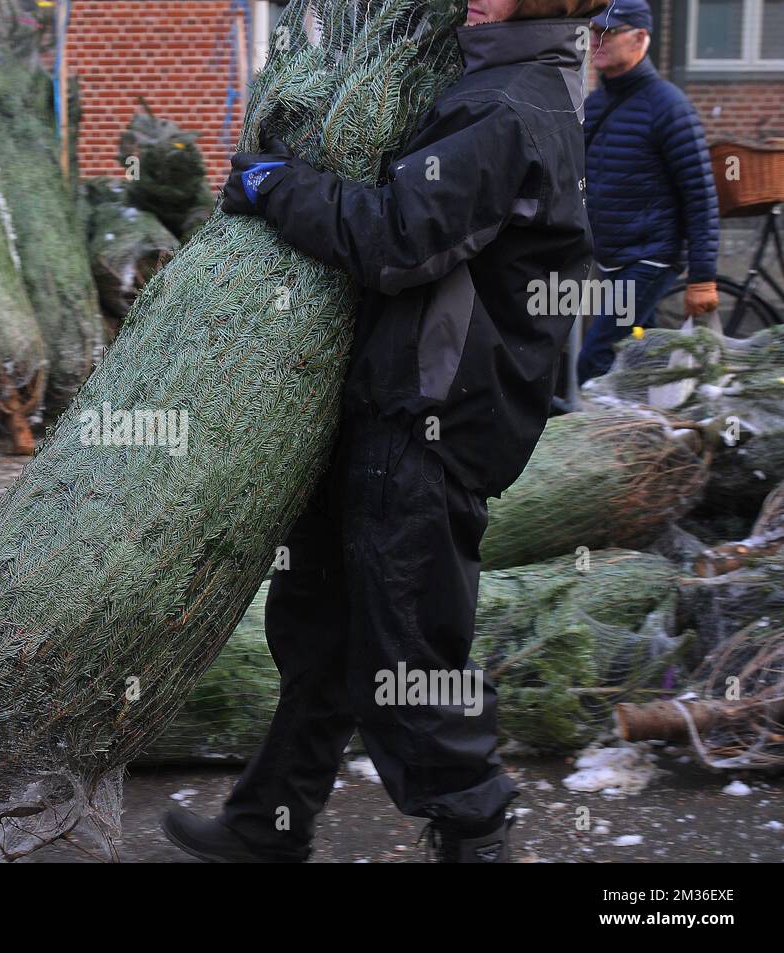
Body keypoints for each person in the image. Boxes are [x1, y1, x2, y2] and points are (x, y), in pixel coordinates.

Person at [160, 0, 603, 863]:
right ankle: (267, 825)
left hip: (429, 420)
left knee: (408, 651)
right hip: (399, 403)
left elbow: (398, 236)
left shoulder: (504, 106)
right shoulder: (499, 83)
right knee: (320, 625)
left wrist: (273, 183)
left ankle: (476, 835)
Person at [576, 0, 719, 383]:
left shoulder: (669, 107)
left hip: (649, 258)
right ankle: (665, 434)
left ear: (641, 38)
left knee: (594, 361)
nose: (597, 41)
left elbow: (701, 196)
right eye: (594, 32)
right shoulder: (600, 101)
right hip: (614, 257)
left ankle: (594, 441)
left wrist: (702, 278)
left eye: (609, 33)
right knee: (644, 360)